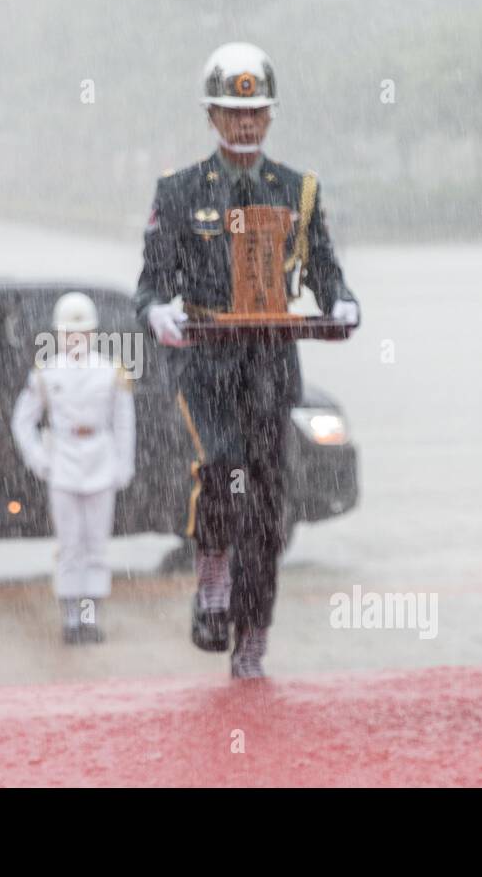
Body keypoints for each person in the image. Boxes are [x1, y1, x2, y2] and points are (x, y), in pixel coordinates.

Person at [134, 42, 360, 678]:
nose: (245, 123)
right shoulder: (178, 192)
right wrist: (157, 315)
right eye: (233, 112)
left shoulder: (298, 190)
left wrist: (341, 304)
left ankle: (253, 636)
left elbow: (325, 272)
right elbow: (150, 285)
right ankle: (211, 575)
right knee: (224, 464)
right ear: (211, 115)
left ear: (270, 116)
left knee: (267, 504)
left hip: (268, 360)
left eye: (256, 111)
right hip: (206, 363)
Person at [10, 292, 136, 644]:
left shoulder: (111, 371)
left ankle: (89, 618)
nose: (75, 340)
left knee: (96, 546)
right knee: (69, 546)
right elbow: (22, 422)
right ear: (59, 335)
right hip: (63, 461)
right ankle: (69, 619)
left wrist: (123, 464)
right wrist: (39, 458)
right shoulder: (46, 374)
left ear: (94, 334)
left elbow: (124, 423)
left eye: (81, 333)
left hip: (100, 458)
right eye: (69, 333)